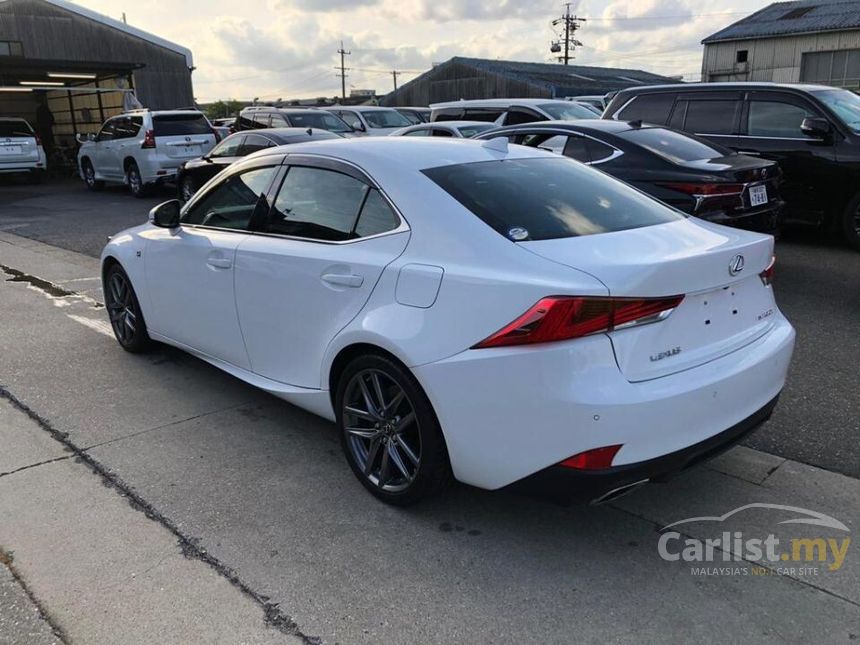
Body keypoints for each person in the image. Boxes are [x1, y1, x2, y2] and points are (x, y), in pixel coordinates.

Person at [34, 91, 55, 156]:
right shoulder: (43, 109)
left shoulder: (40, 110)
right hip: (46, 130)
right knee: (48, 145)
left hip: (44, 131)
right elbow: (51, 118)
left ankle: (49, 156)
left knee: (45, 146)